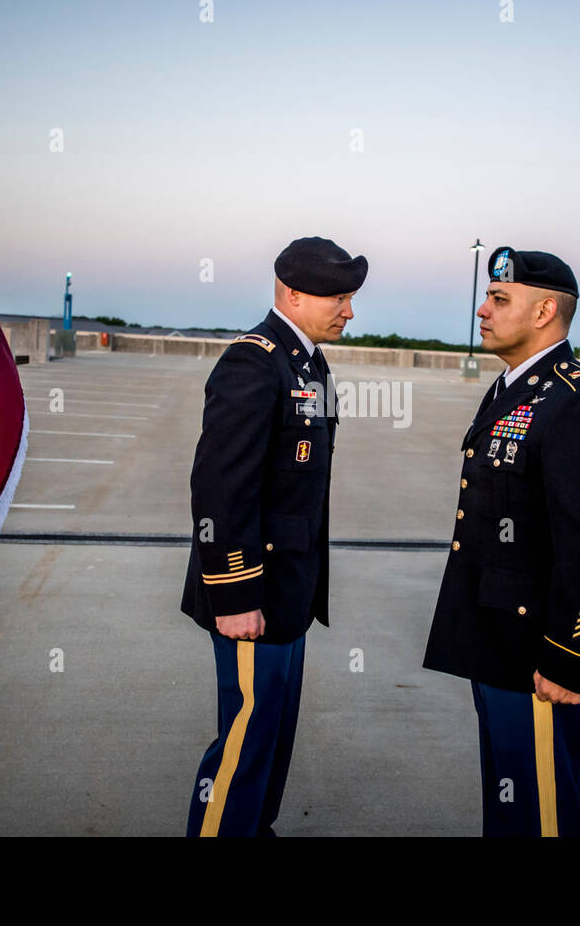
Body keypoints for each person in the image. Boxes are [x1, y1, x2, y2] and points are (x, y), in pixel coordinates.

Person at [423, 246, 580, 837]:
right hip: (498, 641)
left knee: (542, 812)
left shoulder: (578, 403)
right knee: (511, 804)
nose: (482, 311)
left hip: (539, 653)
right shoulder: (514, 388)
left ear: (544, 311)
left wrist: (570, 657)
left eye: (499, 299)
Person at [181, 236, 366, 836]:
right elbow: (219, 486)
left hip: (287, 594)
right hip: (250, 595)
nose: (349, 309)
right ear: (291, 292)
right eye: (338, 296)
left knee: (271, 740)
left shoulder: (307, 361)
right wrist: (233, 596)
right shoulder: (254, 360)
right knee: (242, 744)